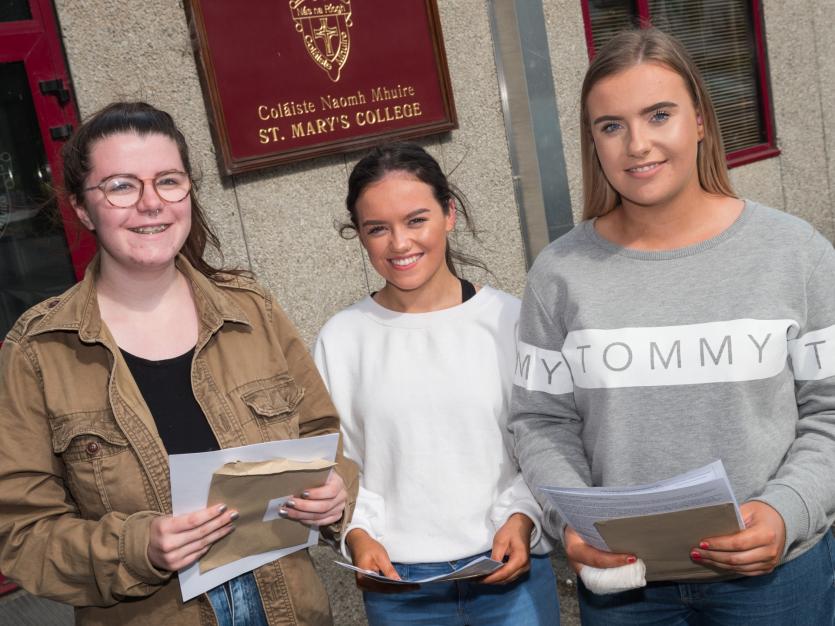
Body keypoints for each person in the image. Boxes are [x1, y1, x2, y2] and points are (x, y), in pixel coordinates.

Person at [509, 28, 835, 625]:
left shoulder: (796, 255)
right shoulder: (558, 276)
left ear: (701, 121)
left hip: (774, 583)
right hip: (624, 586)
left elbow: (830, 412)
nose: (638, 144)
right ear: (593, 142)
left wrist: (786, 510)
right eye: (612, 126)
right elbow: (540, 422)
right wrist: (573, 523)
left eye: (659, 115)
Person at [0, 101, 358, 626]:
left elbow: (323, 437)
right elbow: (22, 534)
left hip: (290, 607)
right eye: (121, 186)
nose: (151, 204)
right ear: (83, 208)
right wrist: (136, 548)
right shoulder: (38, 351)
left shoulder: (251, 311)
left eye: (168, 181)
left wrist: (334, 491)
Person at [313, 143, 560, 625]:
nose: (399, 243)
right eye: (377, 228)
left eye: (416, 220)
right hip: (398, 586)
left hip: (510, 571)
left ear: (449, 214)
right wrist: (357, 535)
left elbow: (546, 438)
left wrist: (523, 516)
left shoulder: (510, 320)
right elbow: (338, 463)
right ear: (360, 236)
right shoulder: (341, 338)